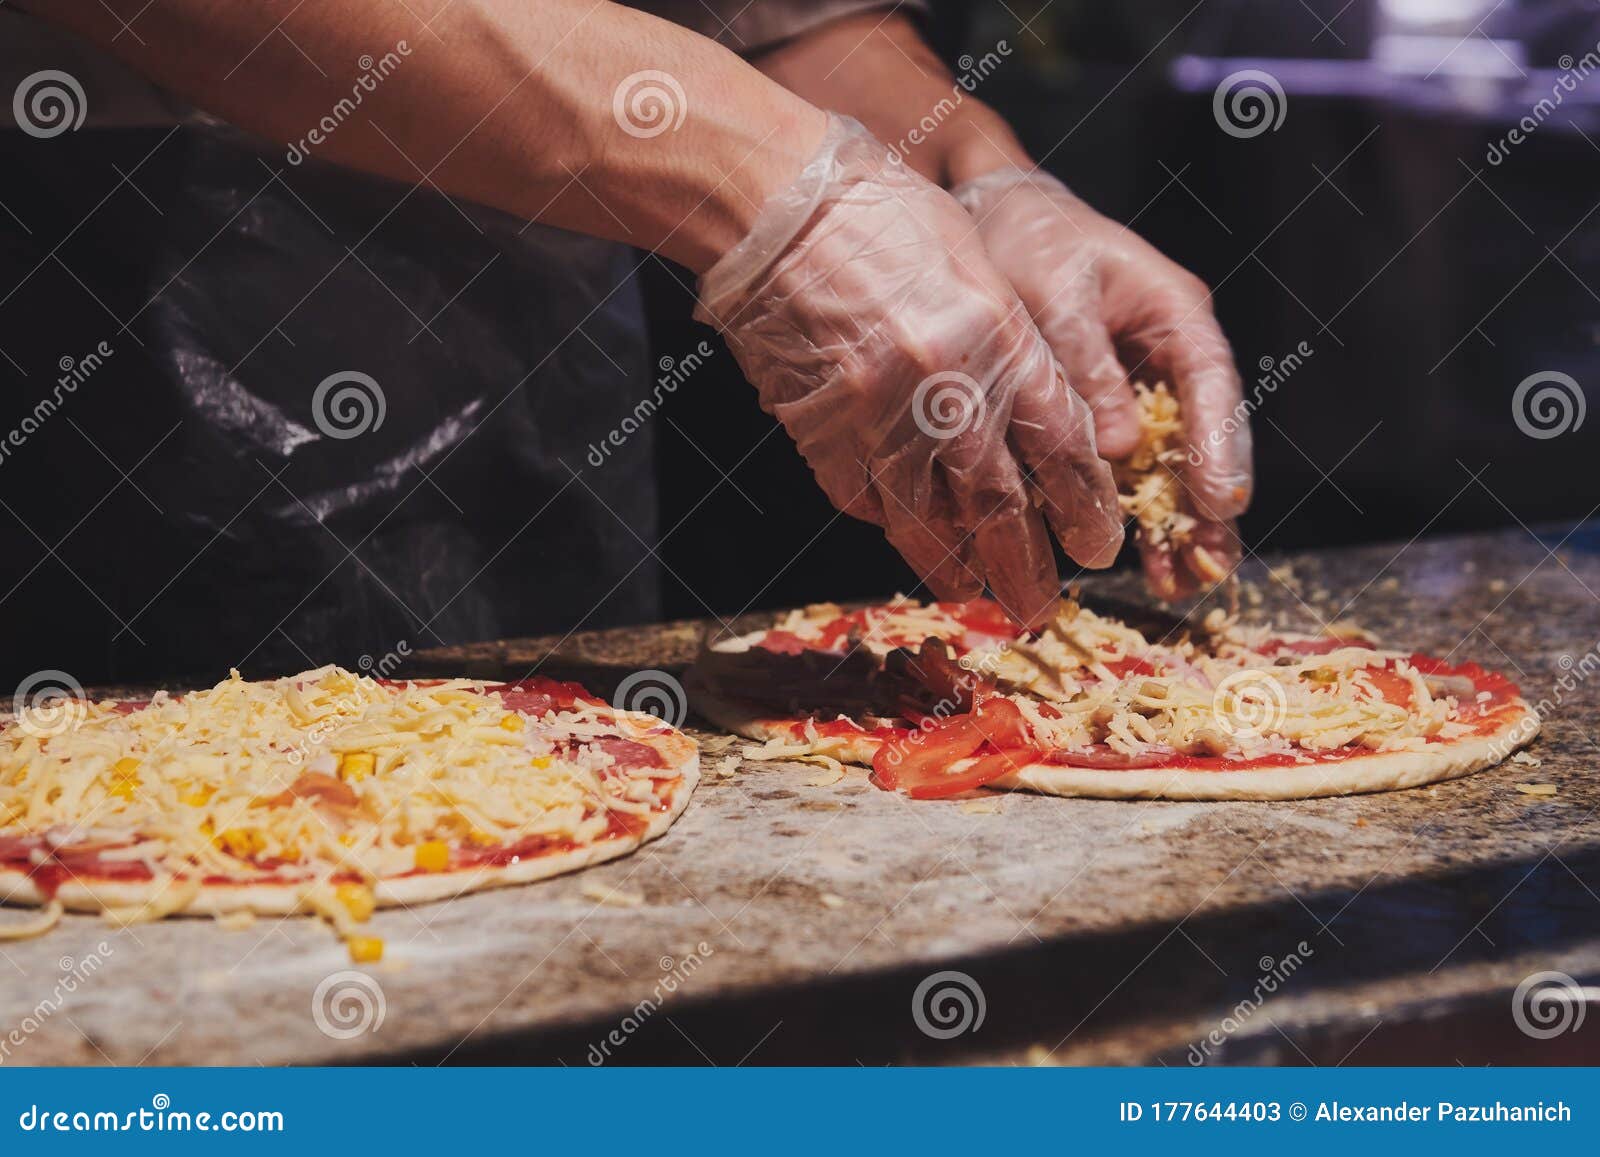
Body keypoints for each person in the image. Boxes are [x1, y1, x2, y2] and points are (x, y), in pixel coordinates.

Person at [0, 2, 1251, 685]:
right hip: (129, 298)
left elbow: (776, 21)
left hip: (545, 351)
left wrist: (979, 185)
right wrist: (783, 191)